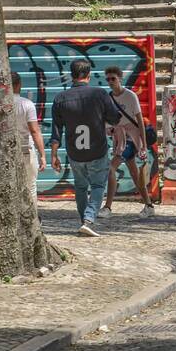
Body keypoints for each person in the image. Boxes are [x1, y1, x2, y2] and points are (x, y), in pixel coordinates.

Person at [49, 59, 121, 236]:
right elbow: (115, 118)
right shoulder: (100, 94)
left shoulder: (60, 99)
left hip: (75, 153)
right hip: (97, 150)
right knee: (97, 185)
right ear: (88, 76)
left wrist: (54, 155)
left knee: (80, 187)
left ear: (72, 76)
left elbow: (56, 131)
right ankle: (89, 220)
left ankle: (84, 220)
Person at [99, 65, 155, 218]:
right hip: (120, 138)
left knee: (111, 168)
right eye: (108, 79)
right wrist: (109, 130)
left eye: (113, 79)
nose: (110, 82)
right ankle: (149, 205)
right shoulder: (108, 98)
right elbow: (107, 120)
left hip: (131, 139)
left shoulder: (130, 96)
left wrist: (143, 144)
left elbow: (140, 121)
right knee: (135, 174)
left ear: (120, 79)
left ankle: (108, 207)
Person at [11, 72, 45, 207]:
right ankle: (32, 220)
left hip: (6, 152)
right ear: (19, 85)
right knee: (30, 186)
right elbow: (35, 130)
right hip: (25, 151)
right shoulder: (26, 104)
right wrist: (42, 155)